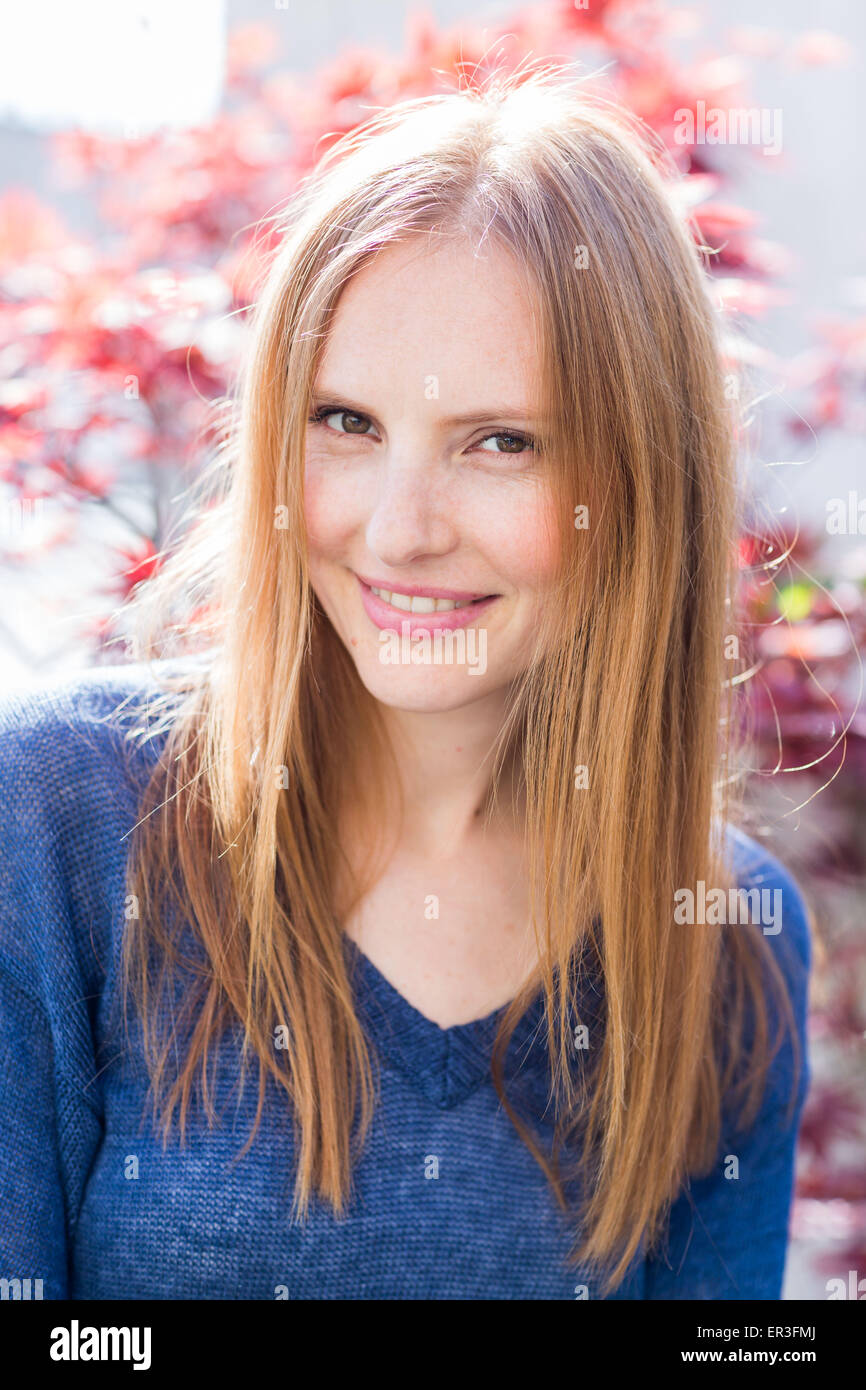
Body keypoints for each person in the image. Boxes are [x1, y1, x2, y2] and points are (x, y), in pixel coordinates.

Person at [0, 69, 810, 1300]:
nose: (398, 531)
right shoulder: (59, 820)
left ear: (639, 486)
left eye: (501, 442)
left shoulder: (720, 942)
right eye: (346, 423)